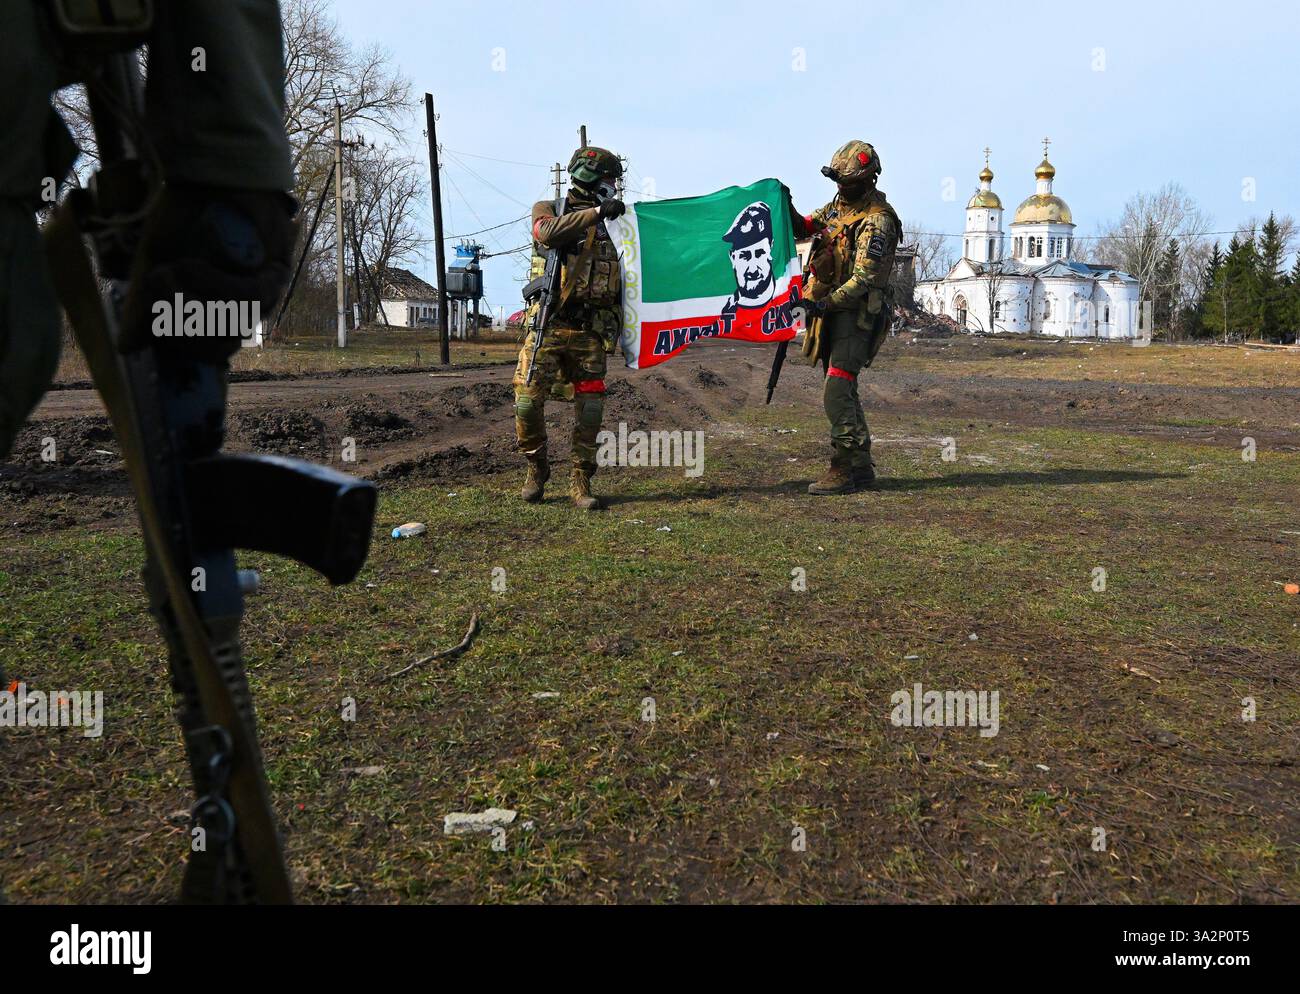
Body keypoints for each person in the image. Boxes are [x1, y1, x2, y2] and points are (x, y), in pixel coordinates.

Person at [513, 145, 625, 510]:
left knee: (591, 408)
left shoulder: (619, 220)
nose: (613, 186)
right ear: (592, 178)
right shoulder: (549, 209)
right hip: (549, 324)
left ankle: (581, 479)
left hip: (590, 331)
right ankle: (537, 468)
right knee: (528, 401)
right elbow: (546, 233)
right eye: (609, 179)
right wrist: (595, 213)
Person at [789, 140, 902, 495]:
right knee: (844, 389)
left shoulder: (878, 221)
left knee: (837, 388)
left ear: (868, 180)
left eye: (848, 182)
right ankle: (861, 465)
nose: (841, 188)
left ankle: (842, 468)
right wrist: (784, 206)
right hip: (833, 312)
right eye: (838, 181)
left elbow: (865, 277)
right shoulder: (838, 207)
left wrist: (826, 303)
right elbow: (807, 227)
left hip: (856, 316)